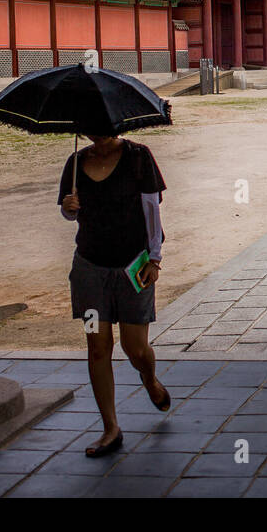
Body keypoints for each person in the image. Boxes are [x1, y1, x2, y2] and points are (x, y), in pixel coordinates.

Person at [58, 133, 169, 458]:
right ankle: (110, 428)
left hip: (134, 265)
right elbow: (69, 213)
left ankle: (148, 378)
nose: (101, 132)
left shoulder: (138, 157)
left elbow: (151, 209)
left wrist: (155, 257)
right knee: (98, 346)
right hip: (89, 268)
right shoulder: (76, 163)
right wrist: (68, 208)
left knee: (134, 347)